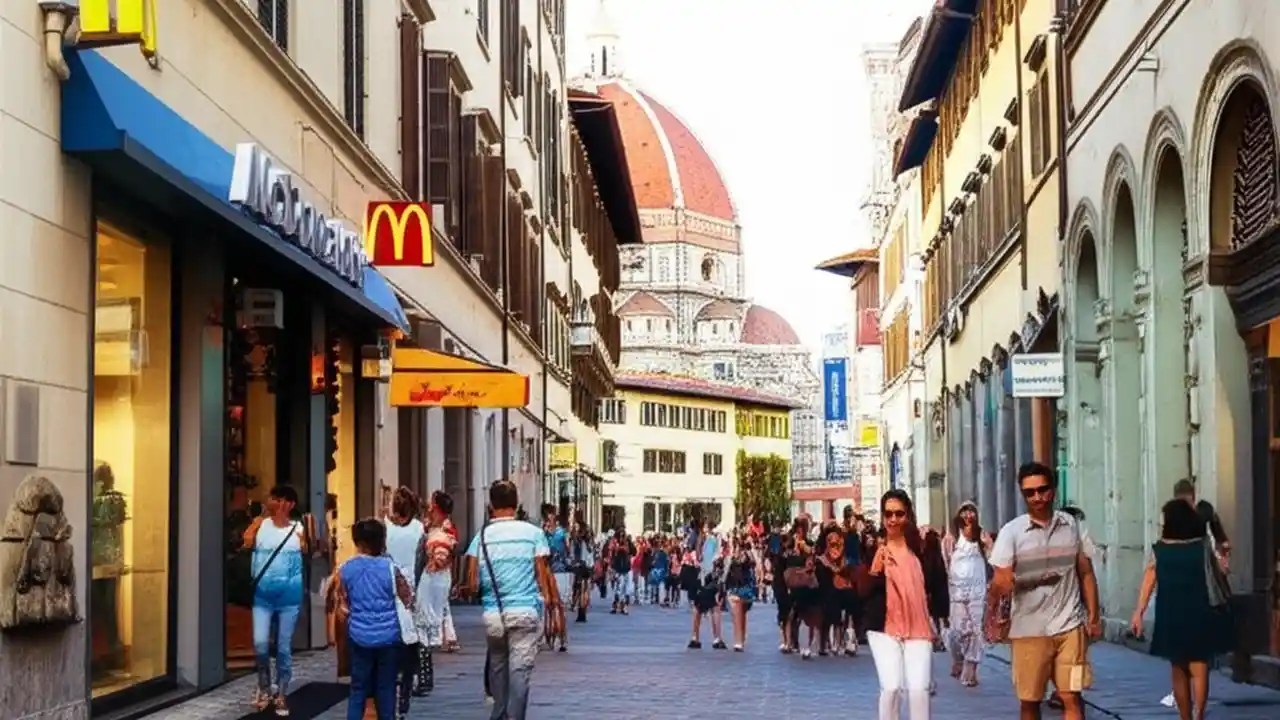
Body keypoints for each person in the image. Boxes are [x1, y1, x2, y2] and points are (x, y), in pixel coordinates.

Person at [989, 462, 1101, 720]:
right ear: (1022, 493)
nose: (1037, 497)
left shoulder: (1071, 525)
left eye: (1043, 490)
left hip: (1069, 625)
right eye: (1030, 492)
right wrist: (1000, 594)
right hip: (1029, 629)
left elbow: (1085, 572)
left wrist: (1093, 616)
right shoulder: (1012, 532)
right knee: (1030, 702)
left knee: (1071, 696)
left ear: (1053, 490)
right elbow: (1000, 581)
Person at [463, 481, 560, 720]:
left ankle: (499, 712)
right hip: (525, 611)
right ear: (516, 505)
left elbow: (472, 582)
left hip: (494, 614)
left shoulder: (482, 536)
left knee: (497, 665)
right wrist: (550, 602)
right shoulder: (534, 534)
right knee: (520, 671)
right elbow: (542, 573)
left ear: (491, 505)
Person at [1132, 499, 1233, 720]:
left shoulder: (1160, 549)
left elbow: (1149, 577)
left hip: (1171, 614)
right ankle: (1199, 715)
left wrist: (1139, 611)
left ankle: (1185, 716)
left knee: (1178, 668)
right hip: (1200, 611)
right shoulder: (1203, 546)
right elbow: (1219, 573)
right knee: (1200, 666)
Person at [863, 489, 940, 719]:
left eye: (899, 513)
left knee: (918, 691)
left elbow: (936, 583)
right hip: (884, 628)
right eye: (888, 514)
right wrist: (875, 569)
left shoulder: (922, 548)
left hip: (918, 628)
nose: (893, 519)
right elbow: (863, 590)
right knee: (891, 688)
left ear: (908, 515)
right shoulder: (873, 548)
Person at [335, 518, 416, 720]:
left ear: (357, 542)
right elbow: (407, 598)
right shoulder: (391, 568)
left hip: (359, 635)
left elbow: (342, 602)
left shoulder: (346, 570)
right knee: (386, 687)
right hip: (389, 636)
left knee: (358, 689)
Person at [243, 485, 307, 716]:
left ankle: (281, 694)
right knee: (260, 645)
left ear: (289, 504)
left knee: (283, 647)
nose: (273, 503)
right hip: (262, 595)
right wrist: (259, 519)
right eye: (273, 499)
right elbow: (247, 541)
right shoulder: (261, 524)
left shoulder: (299, 528)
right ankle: (263, 687)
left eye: (278, 500)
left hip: (289, 597)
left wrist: (309, 540)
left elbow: (313, 549)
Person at [384, 488, 427, 712]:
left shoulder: (385, 528)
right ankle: (406, 692)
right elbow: (421, 563)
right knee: (411, 642)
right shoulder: (420, 529)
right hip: (411, 588)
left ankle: (391, 686)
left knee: (391, 641)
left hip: (389, 589)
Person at [944, 501, 990, 687]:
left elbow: (993, 557)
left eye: (971, 511)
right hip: (957, 591)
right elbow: (946, 561)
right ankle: (958, 658)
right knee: (957, 630)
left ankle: (971, 669)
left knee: (976, 630)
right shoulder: (951, 538)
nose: (968, 515)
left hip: (978, 590)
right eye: (964, 512)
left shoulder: (982, 535)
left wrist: (988, 545)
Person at [541, 504, 571, 652]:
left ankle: (561, 636)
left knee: (559, 605)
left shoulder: (561, 533)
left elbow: (567, 549)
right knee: (548, 605)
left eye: (550, 516)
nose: (549, 519)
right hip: (546, 570)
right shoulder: (542, 534)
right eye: (546, 517)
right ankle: (549, 633)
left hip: (560, 569)